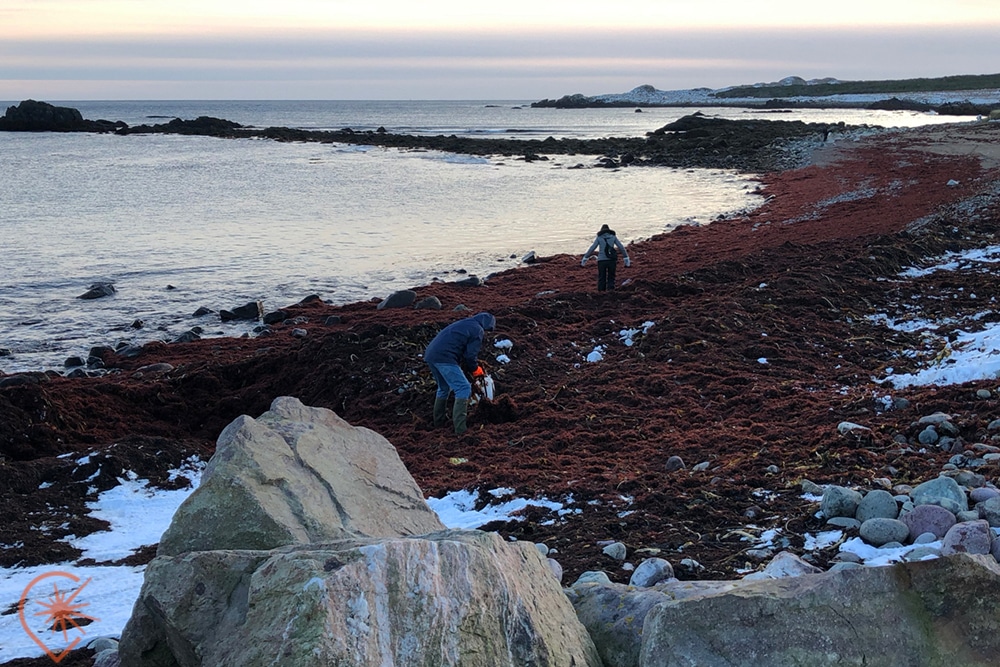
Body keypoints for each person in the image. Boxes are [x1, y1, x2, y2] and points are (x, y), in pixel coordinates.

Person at [424, 312, 496, 434]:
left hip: (430, 355)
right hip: (445, 358)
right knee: (463, 388)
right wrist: (475, 369)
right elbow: (470, 356)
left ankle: (439, 422)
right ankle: (460, 429)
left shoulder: (464, 323)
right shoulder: (478, 329)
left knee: (443, 388)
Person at [581, 224, 631, 291]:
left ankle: (601, 292)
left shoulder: (599, 238)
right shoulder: (613, 237)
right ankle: (611, 291)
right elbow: (621, 247)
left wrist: (585, 258)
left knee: (601, 277)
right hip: (612, 260)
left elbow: (592, 248)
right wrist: (626, 258)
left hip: (601, 261)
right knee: (611, 277)